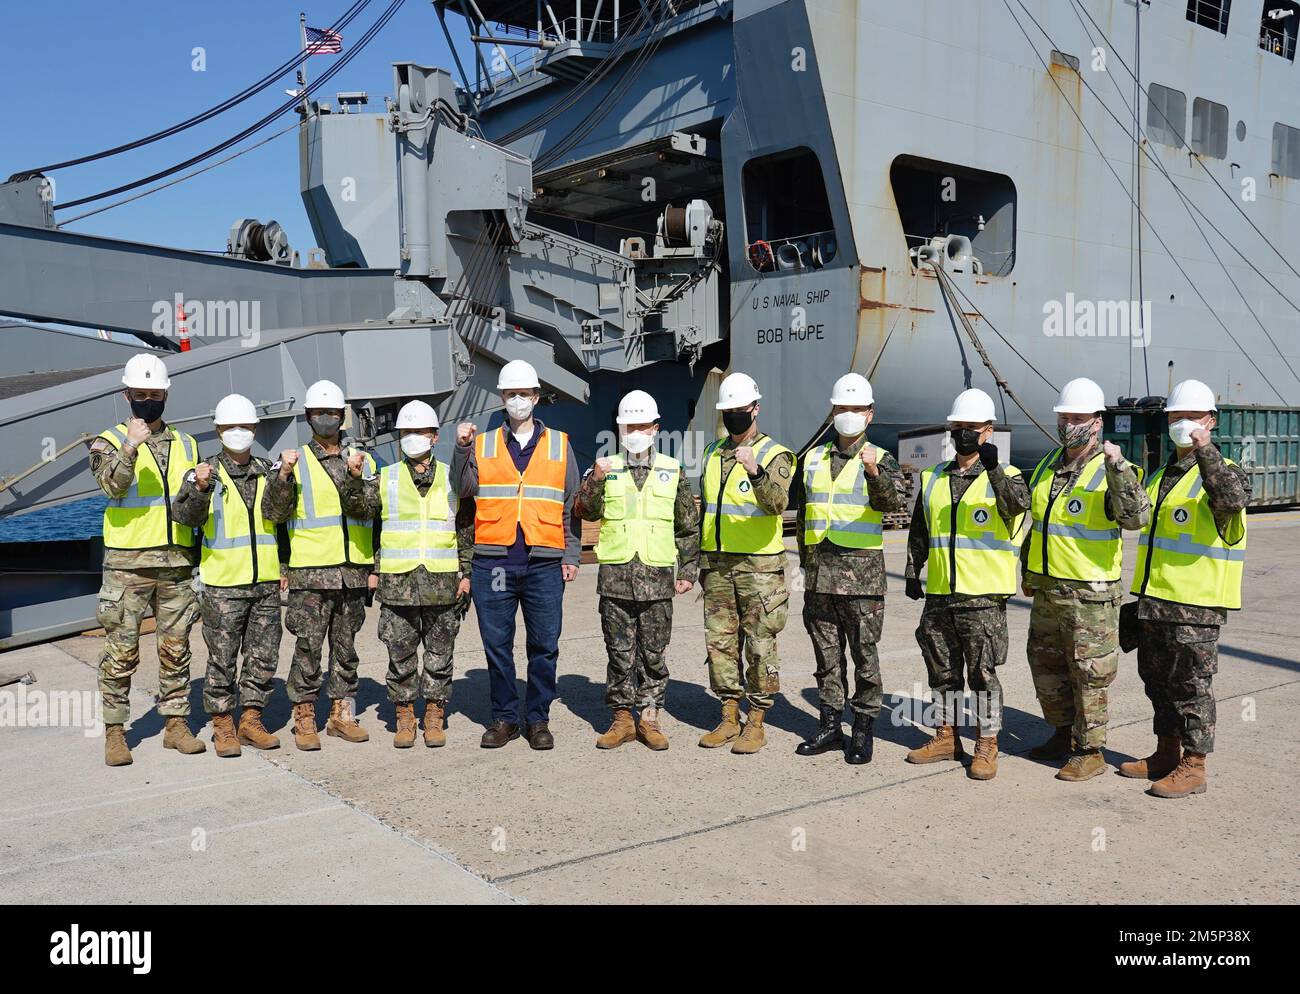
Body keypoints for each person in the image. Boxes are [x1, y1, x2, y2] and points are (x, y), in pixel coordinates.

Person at [1121, 379, 1250, 798]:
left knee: (1192, 686)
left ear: (1210, 420)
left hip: (1197, 606)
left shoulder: (1225, 471)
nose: (1182, 424)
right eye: (1175, 417)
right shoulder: (1164, 475)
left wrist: (1204, 448)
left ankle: (1194, 766)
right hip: (1157, 601)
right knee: (1157, 682)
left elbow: (1230, 502)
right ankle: (1166, 753)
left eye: (1191, 417)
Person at [1022, 377, 1150, 781]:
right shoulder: (1047, 463)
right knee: (1047, 667)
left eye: (1077, 418)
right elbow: (1039, 523)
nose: (1067, 424)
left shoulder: (1114, 468)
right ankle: (1061, 734)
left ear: (1097, 422)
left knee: (1089, 674)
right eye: (1063, 417)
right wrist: (1028, 570)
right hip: (1046, 589)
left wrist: (1118, 469)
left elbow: (1135, 518)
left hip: (1089, 593)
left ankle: (1091, 750)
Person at [453, 360, 581, 750]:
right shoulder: (483, 443)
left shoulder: (560, 444)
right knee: (497, 644)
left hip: (543, 562)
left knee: (544, 644)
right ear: (502, 398)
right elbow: (463, 490)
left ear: (537, 398)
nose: (518, 400)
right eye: (511, 394)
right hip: (494, 562)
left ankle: (538, 719)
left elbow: (569, 501)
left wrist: (570, 555)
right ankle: (505, 718)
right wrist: (460, 450)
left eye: (524, 394)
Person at [903, 388, 1029, 779]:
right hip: (941, 593)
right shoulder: (934, 476)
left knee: (983, 675)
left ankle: (987, 743)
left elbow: (1016, 508)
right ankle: (945, 735)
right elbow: (921, 527)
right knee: (942, 672)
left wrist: (992, 470)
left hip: (983, 596)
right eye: (958, 427)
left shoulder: (1007, 475)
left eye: (971, 428)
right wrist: (912, 568)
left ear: (988, 432)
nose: (964, 434)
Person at [89, 354, 204, 766]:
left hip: (175, 564)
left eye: (155, 394)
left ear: (166, 395)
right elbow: (111, 487)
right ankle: (116, 732)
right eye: (141, 394)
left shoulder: (188, 444)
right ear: (127, 395)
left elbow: (192, 507)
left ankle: (176, 725)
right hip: (128, 566)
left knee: (176, 648)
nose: (149, 400)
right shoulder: (108, 441)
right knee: (121, 651)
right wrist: (131, 447)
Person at [792, 373, 907, 764]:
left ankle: (863, 729)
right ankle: (829, 724)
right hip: (821, 575)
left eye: (856, 409)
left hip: (861, 578)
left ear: (870, 414)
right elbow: (806, 515)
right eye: (842, 408)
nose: (848, 415)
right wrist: (806, 566)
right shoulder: (813, 458)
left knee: (864, 656)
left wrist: (874, 473)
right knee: (826, 656)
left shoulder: (881, 457)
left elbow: (892, 505)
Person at [343, 400, 472, 748]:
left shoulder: (450, 476)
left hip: (442, 582)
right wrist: (354, 481)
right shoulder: (386, 478)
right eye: (405, 433)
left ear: (433, 436)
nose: (412, 438)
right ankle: (404, 716)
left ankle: (433, 715)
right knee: (400, 654)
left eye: (419, 432)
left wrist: (466, 573)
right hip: (398, 584)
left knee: (439, 654)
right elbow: (361, 511)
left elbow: (464, 528)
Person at [576, 390, 699, 750]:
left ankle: (650, 716)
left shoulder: (672, 470)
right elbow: (585, 511)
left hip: (659, 579)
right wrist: (595, 480)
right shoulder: (604, 468)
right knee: (619, 652)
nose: (634, 432)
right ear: (619, 429)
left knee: (654, 653)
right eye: (628, 426)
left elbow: (687, 526)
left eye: (641, 426)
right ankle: (621, 719)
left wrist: (688, 570)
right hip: (616, 579)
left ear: (655, 428)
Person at [262, 379, 379, 749]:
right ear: (308, 418)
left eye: (332, 413)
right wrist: (281, 476)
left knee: (346, 648)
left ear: (342, 417)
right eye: (318, 413)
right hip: (312, 574)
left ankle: (342, 714)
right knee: (309, 649)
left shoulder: (363, 459)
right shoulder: (294, 462)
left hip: (352, 572)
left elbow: (371, 511)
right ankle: (305, 716)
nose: (326, 418)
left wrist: (357, 479)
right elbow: (274, 513)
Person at [171, 394, 283, 757]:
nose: (239, 432)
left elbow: (281, 516)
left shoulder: (268, 469)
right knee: (222, 657)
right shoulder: (203, 472)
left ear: (255, 429)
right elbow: (184, 517)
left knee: (263, 656)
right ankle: (222, 724)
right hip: (222, 584)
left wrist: (285, 479)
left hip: (264, 581)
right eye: (231, 426)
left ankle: (251, 720)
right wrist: (200, 489)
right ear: (218, 430)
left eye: (246, 426)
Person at [697, 372, 794, 754]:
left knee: (759, 643)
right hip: (718, 564)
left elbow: (777, 504)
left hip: (759, 568)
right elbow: (705, 509)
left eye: (741, 409)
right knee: (720, 643)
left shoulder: (777, 454)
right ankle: (727, 715)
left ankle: (756, 721)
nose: (735, 416)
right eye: (728, 411)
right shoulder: (710, 452)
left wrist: (755, 470)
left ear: (756, 408)